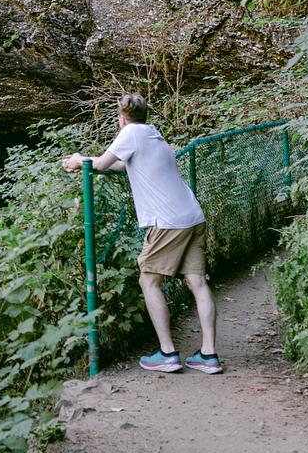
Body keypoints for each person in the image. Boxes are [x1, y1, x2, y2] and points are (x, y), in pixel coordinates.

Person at [63, 92, 223, 374]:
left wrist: (80, 159)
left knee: (149, 280)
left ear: (121, 117)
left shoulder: (130, 133)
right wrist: (88, 161)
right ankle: (208, 356)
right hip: (192, 214)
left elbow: (100, 163)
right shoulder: (151, 132)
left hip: (167, 221)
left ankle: (167, 353)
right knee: (197, 282)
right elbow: (123, 164)